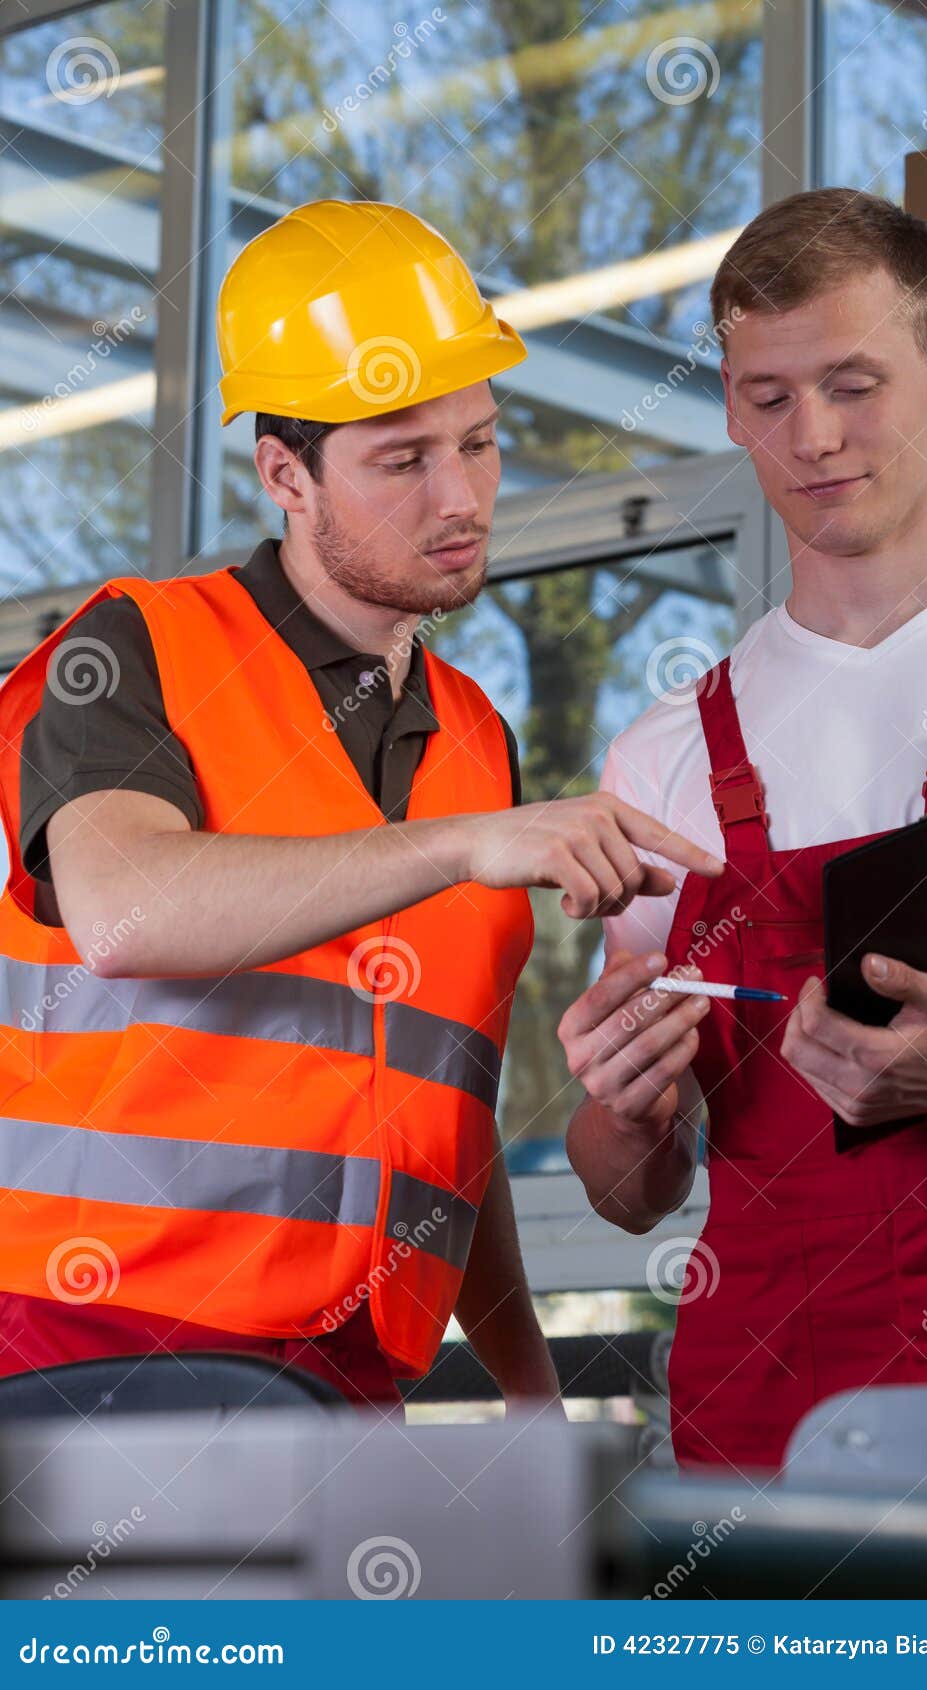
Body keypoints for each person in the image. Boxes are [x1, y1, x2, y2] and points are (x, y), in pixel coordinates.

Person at [0, 200, 719, 1414]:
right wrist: (464, 841)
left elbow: (436, 1114)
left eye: (479, 443)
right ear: (283, 472)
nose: (462, 498)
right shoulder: (137, 649)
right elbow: (124, 909)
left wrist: (530, 1391)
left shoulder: (473, 736)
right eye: (403, 458)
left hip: (346, 1380)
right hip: (87, 1348)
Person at [561, 188, 927, 1471]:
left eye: (854, 382)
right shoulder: (665, 753)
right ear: (728, 407)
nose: (815, 437)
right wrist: (617, 1112)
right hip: (758, 1412)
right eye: (769, 398)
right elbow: (634, 1191)